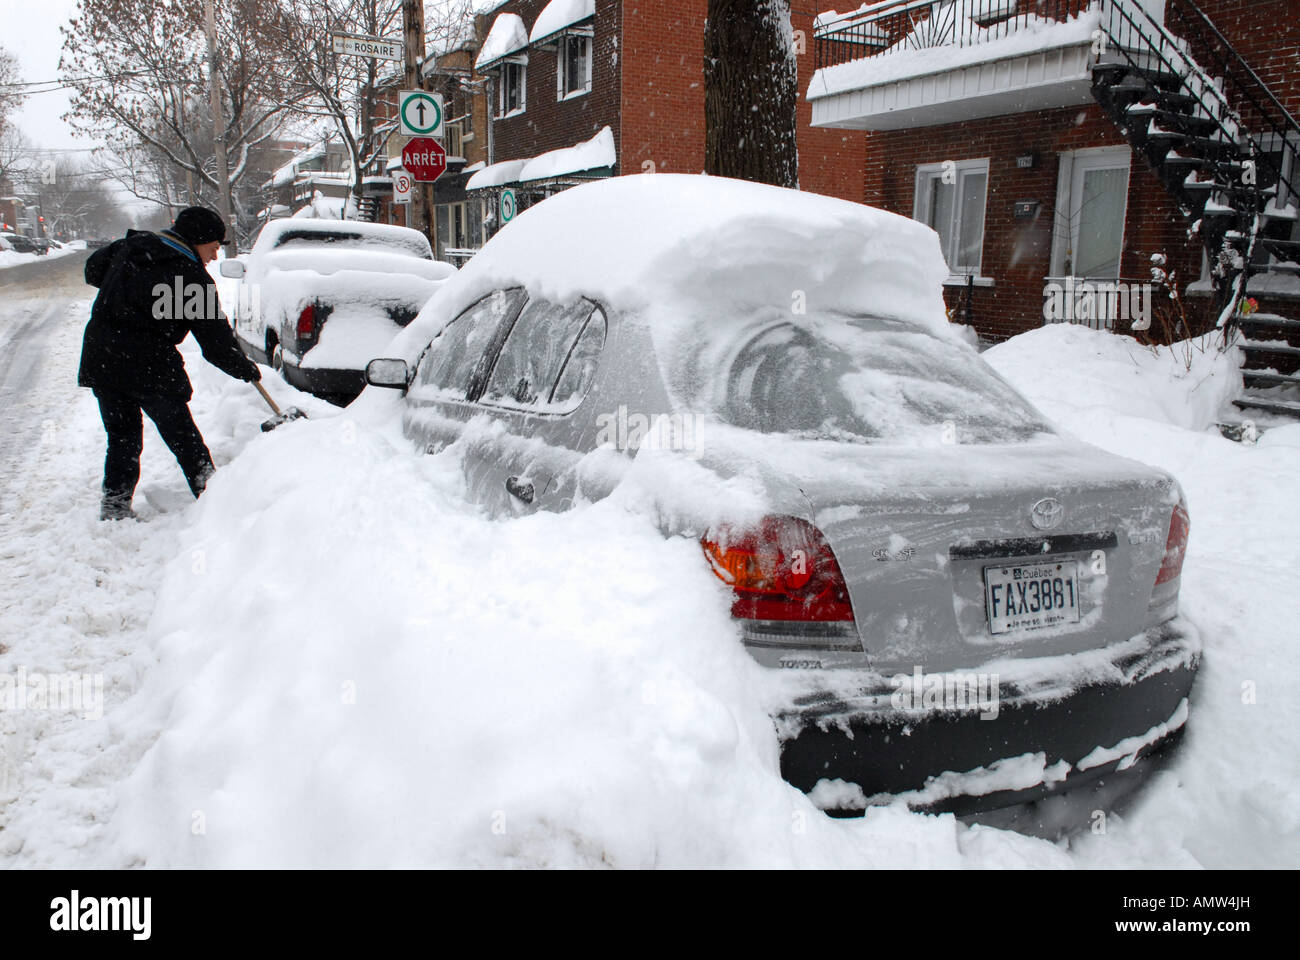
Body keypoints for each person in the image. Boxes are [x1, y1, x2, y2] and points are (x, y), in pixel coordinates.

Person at [78, 206, 261, 520]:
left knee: (122, 436)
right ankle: (212, 498)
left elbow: (92, 270)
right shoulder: (191, 278)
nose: (215, 257)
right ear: (198, 239)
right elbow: (215, 344)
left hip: (103, 357)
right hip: (149, 363)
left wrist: (131, 287)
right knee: (183, 435)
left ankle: (114, 506)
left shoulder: (130, 247)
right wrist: (245, 368)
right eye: (214, 247)